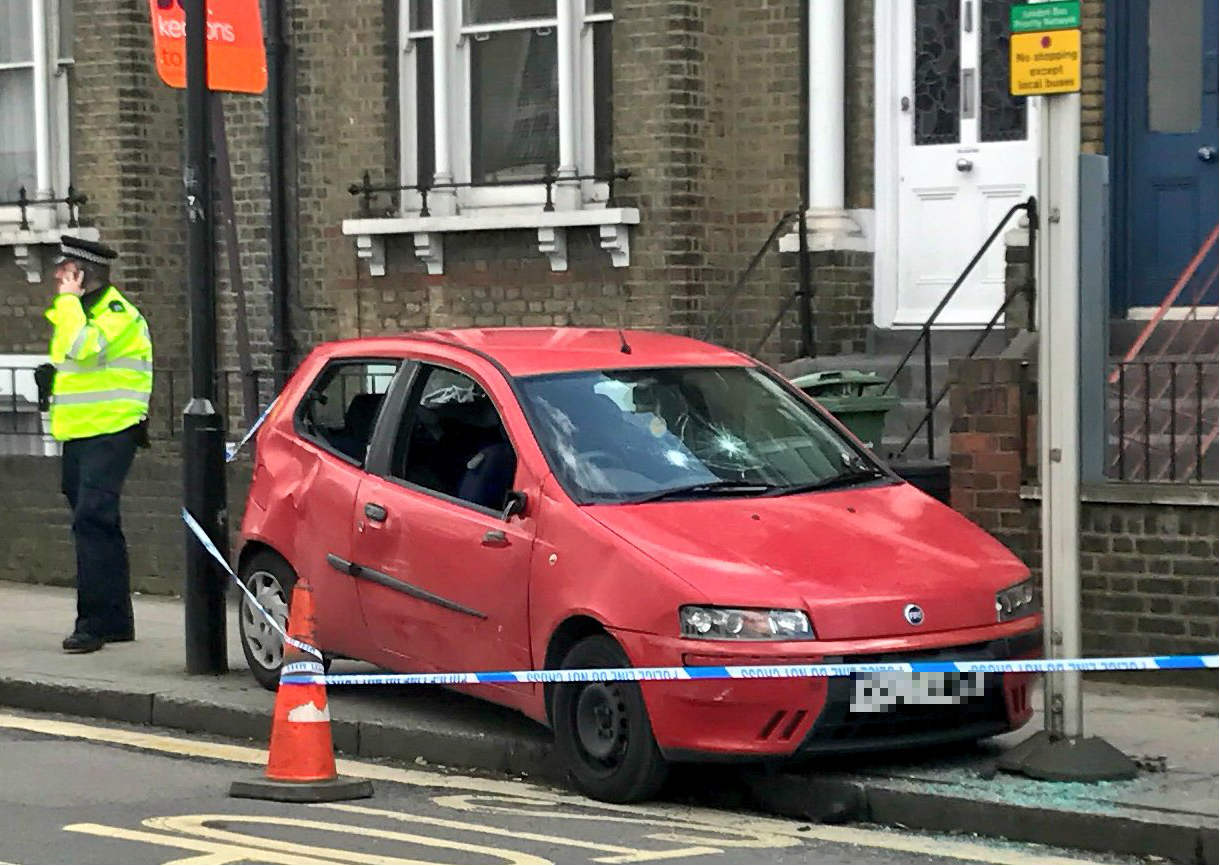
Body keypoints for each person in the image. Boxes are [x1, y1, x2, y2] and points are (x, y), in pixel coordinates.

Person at [38, 236, 153, 654]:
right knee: (98, 524)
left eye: (64, 270)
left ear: (81, 275)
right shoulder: (78, 313)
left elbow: (82, 349)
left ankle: (92, 625)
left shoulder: (118, 313)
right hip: (79, 433)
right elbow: (73, 365)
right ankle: (117, 620)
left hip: (112, 430)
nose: (56, 276)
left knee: (92, 519)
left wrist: (68, 304)